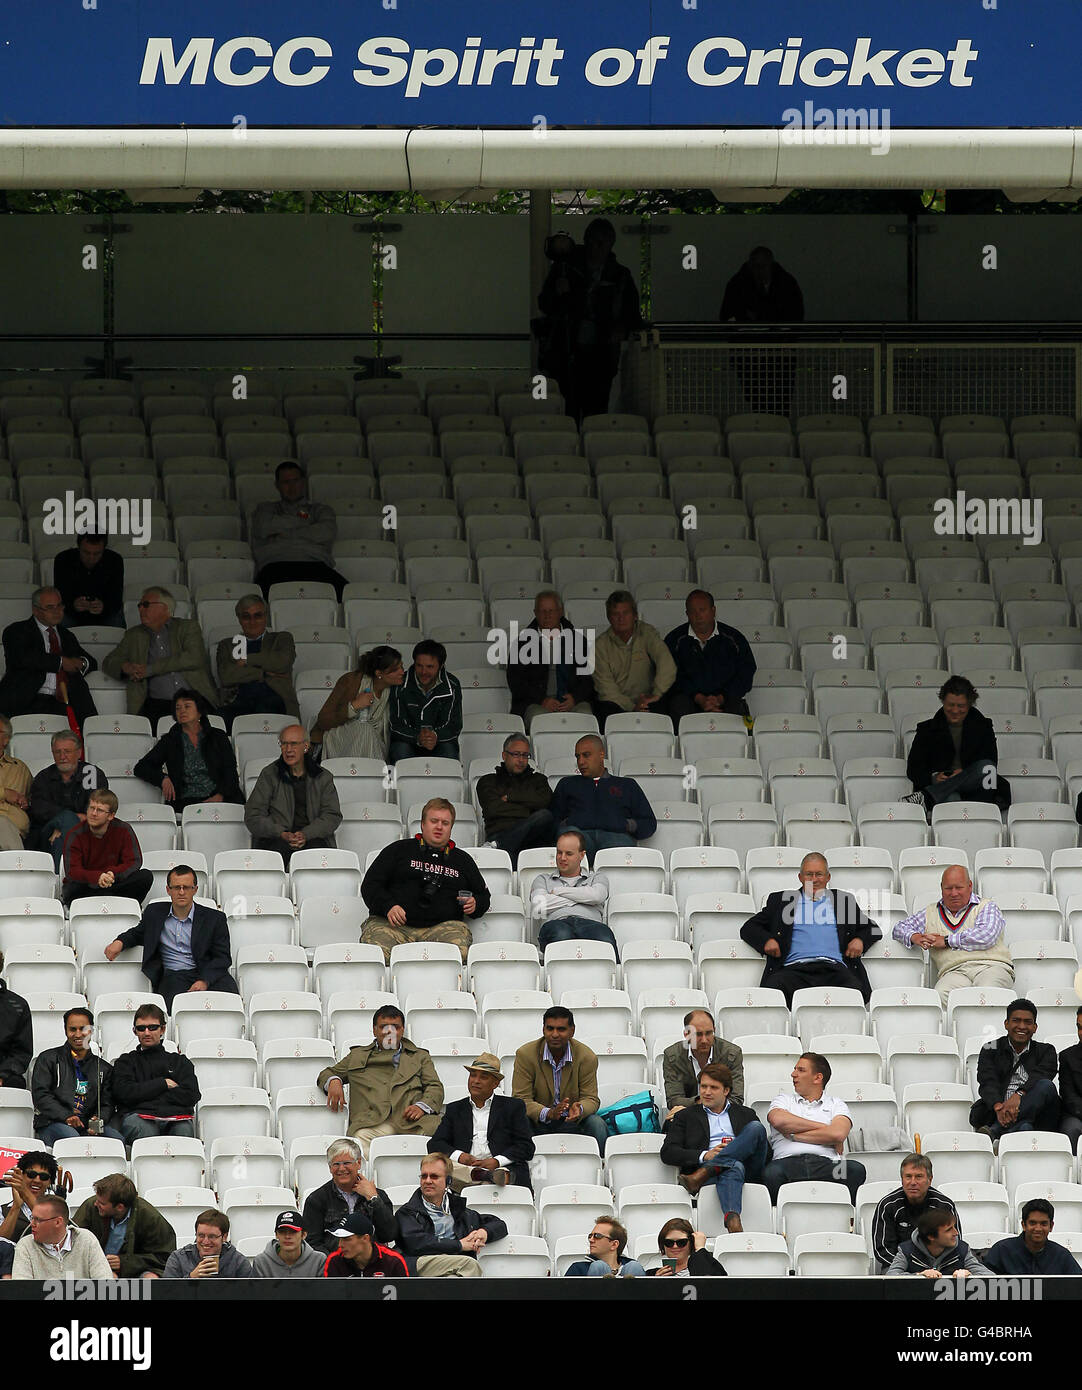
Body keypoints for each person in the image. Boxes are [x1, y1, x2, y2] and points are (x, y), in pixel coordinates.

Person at [536, 218, 642, 424]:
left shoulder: (620, 276)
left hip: (601, 355)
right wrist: (559, 293)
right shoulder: (565, 269)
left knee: (596, 411)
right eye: (593, 242)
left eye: (602, 243)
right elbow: (545, 304)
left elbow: (632, 316)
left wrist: (620, 329)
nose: (596, 247)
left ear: (610, 244)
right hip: (567, 352)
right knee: (567, 410)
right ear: (586, 241)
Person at [739, 851, 880, 1006]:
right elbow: (749, 928)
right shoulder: (781, 901)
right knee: (773, 991)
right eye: (809, 874)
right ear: (800, 877)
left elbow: (872, 928)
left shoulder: (843, 901)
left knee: (854, 990)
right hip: (793, 970)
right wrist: (766, 940)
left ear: (828, 877)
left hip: (835, 969)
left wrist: (860, 940)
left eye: (819, 874)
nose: (814, 880)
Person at [360, 798, 490, 964]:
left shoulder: (463, 860)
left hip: (442, 929)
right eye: (434, 821)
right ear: (422, 824)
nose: (439, 827)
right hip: (392, 926)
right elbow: (370, 886)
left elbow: (484, 896)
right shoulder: (398, 850)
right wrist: (388, 906)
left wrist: (476, 903)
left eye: (445, 823)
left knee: (457, 953)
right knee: (375, 953)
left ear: (451, 827)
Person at [103, 863, 240, 1010]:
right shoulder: (154, 913)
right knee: (172, 1010)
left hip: (208, 974)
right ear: (168, 890)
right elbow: (137, 933)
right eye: (176, 887)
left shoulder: (214, 918)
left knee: (229, 1002)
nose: (181, 892)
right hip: (174, 977)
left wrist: (204, 981)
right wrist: (120, 942)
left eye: (186, 887)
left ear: (195, 890)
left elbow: (223, 957)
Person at [319, 1005, 443, 1160]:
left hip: (413, 1121)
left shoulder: (419, 1056)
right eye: (384, 1027)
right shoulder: (357, 1056)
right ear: (374, 1029)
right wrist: (334, 1081)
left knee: (442, 1135)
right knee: (359, 1138)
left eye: (395, 1027)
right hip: (374, 1122)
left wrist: (422, 1106)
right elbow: (328, 1073)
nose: (389, 1032)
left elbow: (435, 1086)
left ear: (402, 1030)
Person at [661, 1062, 767, 1233]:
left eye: (713, 1087)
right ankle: (732, 1219)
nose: (706, 1092)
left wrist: (737, 1148)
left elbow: (763, 1150)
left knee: (756, 1128)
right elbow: (668, 1153)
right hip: (717, 1170)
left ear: (726, 1091)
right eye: (703, 1086)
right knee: (734, 1165)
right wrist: (705, 1156)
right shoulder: (685, 1116)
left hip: (747, 1170)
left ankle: (704, 1173)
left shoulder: (746, 1114)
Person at [892, 864, 1014, 1003]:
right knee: (940, 994)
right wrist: (915, 936)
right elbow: (899, 928)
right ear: (941, 888)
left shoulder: (986, 906)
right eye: (948, 888)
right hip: (954, 971)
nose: (954, 893)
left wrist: (946, 941)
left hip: (991, 966)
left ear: (970, 886)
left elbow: (986, 936)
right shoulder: (930, 912)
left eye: (959, 887)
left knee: (986, 991)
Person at [103, 586, 218, 724]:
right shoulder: (133, 635)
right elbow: (109, 662)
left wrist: (150, 669)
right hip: (157, 705)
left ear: (165, 608)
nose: (140, 609)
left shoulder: (187, 627)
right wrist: (125, 667)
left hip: (195, 700)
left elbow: (194, 658)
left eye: (145, 605)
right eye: (139, 606)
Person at [761, 1052, 866, 1204]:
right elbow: (778, 1120)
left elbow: (837, 1134)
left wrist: (793, 1135)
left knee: (855, 1169)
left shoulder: (836, 1104)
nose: (793, 1074)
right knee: (771, 1173)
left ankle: (846, 1221)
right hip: (787, 1163)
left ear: (817, 1078)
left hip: (828, 1164)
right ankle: (779, 1221)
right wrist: (825, 1129)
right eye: (794, 1069)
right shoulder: (783, 1099)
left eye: (801, 1070)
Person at [904, 675, 1010, 819]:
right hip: (944, 789)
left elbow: (991, 764)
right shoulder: (927, 729)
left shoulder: (983, 727)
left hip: (978, 787)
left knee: (987, 767)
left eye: (960, 706)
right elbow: (914, 768)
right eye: (950, 705)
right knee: (951, 798)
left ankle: (927, 797)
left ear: (970, 704)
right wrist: (933, 778)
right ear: (943, 702)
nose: (955, 710)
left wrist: (963, 773)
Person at [428, 1051, 535, 1191]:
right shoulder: (455, 1108)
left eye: (483, 1077)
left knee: (499, 1177)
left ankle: (486, 1176)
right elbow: (435, 1144)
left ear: (495, 1083)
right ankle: (484, 1176)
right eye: (473, 1075)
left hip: (500, 1168)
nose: (476, 1081)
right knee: (436, 1165)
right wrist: (460, 1156)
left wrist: (497, 1161)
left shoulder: (513, 1107)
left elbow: (526, 1147)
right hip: (464, 1168)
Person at [512, 1006, 609, 1155]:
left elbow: (591, 1098)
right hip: (538, 1120)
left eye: (561, 1029)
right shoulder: (525, 1055)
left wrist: (579, 1108)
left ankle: (600, 1167)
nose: (555, 1034)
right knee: (519, 1121)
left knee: (597, 1124)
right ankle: (525, 1169)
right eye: (550, 1028)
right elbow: (520, 1099)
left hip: (572, 1121)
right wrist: (548, 1113)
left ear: (572, 1031)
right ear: (543, 1030)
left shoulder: (587, 1057)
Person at [0, 587, 97, 730]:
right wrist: (62, 662)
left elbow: (91, 662)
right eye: (50, 607)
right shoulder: (17, 631)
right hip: (27, 699)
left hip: (64, 701)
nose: (57, 611)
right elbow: (25, 658)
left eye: (59, 606)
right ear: (35, 610)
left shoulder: (66, 635)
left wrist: (81, 663)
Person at [244, 722, 342, 864]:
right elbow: (253, 815)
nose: (288, 749)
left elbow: (332, 815)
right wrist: (281, 833)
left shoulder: (323, 777)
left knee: (318, 857)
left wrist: (305, 834)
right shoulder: (269, 774)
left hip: (312, 838)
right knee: (273, 857)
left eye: (294, 744)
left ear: (306, 746)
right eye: (284, 744)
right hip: (276, 838)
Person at [133, 688, 244, 812]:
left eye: (187, 706)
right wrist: (162, 778)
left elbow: (230, 771)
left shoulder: (218, 736)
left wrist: (220, 796)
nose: (182, 711)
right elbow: (141, 767)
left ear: (199, 711)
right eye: (178, 708)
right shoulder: (170, 740)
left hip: (222, 798)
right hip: (186, 803)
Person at [548, 734, 657, 860]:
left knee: (620, 847)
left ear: (601, 755)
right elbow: (552, 821)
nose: (581, 761)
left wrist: (625, 824)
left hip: (615, 838)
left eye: (586, 755)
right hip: (580, 839)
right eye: (578, 756)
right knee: (570, 837)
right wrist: (568, 823)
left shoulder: (627, 785)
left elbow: (649, 823)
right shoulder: (567, 784)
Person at [250, 460, 347, 600]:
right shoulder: (265, 509)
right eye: (285, 482)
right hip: (275, 565)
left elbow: (326, 531)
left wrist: (283, 533)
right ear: (277, 485)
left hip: (314, 564)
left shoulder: (320, 510)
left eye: (295, 481)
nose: (291, 487)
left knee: (351, 596)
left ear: (303, 482)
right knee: (255, 605)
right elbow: (263, 528)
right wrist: (306, 524)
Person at [396, 1152, 505, 1275]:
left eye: (434, 1176)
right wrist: (459, 1245)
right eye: (423, 1176)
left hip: (453, 1266)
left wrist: (483, 1233)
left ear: (448, 1181)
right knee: (469, 1265)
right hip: (420, 1264)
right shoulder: (407, 1212)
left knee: (455, 1278)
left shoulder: (460, 1212)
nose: (427, 1181)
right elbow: (416, 1243)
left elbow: (499, 1224)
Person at [970, 998, 1059, 1144]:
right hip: (998, 1111)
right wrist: (999, 1107)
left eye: (1027, 1022)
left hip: (1038, 1114)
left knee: (1046, 1085)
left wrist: (1018, 1095)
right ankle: (1007, 1131)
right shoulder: (990, 1048)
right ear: (1006, 1024)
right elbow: (987, 1081)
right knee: (1025, 1127)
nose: (1022, 1026)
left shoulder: (1046, 1050)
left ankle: (995, 1131)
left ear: (1035, 1027)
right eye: (1016, 1020)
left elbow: (1042, 1075)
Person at [663, 589, 756, 727]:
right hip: (688, 701)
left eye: (702, 610)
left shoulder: (734, 639)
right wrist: (698, 698)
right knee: (678, 705)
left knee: (737, 710)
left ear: (713, 611)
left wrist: (720, 698)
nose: (698, 616)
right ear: (687, 614)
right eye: (692, 611)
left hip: (725, 701)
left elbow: (746, 673)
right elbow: (668, 676)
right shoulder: (674, 640)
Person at [31, 1006, 123, 1144]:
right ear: (65, 1031)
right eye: (73, 1029)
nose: (78, 1034)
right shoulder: (48, 1059)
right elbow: (41, 1096)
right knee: (73, 1139)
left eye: (83, 1029)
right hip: (53, 1122)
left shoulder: (103, 1068)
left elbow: (107, 1103)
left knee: (117, 1141)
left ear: (91, 1031)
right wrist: (66, 1116)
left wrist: (97, 1119)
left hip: (88, 1124)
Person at [110, 1003, 201, 1143]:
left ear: (162, 1029)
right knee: (146, 1129)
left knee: (183, 1129)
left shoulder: (179, 1062)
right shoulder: (125, 1062)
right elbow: (123, 1094)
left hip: (174, 1118)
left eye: (152, 1027)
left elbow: (192, 1095)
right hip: (138, 1118)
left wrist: (143, 1094)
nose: (147, 1032)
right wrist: (163, 1084)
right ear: (135, 1031)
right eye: (141, 1028)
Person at [506, 590, 595, 729]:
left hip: (572, 702)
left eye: (551, 611)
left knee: (585, 716)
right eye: (542, 611)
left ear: (560, 612)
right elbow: (516, 682)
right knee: (539, 720)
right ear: (535, 612)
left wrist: (574, 698)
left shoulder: (579, 641)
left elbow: (588, 679)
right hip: (536, 704)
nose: (547, 615)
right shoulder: (522, 643)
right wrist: (542, 700)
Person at [591, 590, 676, 730]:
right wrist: (633, 707)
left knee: (665, 706)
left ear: (635, 615)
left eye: (625, 613)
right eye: (615, 614)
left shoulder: (647, 633)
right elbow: (606, 689)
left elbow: (667, 664)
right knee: (606, 710)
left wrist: (656, 693)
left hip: (647, 698)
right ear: (608, 617)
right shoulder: (599, 646)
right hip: (615, 703)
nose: (621, 618)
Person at [215, 593, 300, 731]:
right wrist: (263, 673)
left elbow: (282, 662)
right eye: (246, 616)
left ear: (266, 617)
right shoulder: (227, 645)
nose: (252, 621)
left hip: (276, 698)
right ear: (239, 619)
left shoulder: (281, 638)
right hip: (238, 700)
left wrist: (247, 660)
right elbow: (227, 676)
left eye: (258, 615)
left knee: (264, 709)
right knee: (219, 719)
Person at [59, 788, 154, 907]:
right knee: (73, 886)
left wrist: (113, 874)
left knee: (145, 876)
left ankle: (108, 898)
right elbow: (72, 871)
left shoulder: (123, 830)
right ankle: (113, 900)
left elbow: (134, 861)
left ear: (111, 815)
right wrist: (97, 877)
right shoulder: (75, 834)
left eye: (99, 810)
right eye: (91, 808)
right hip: (87, 886)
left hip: (114, 882)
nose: (93, 813)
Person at [28, 730, 109, 868]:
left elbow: (101, 806)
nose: (62, 756)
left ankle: (61, 880)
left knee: (60, 840)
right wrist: (68, 819)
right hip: (48, 832)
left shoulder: (92, 774)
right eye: (58, 752)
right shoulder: (44, 777)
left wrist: (65, 827)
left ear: (78, 753)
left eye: (67, 751)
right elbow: (38, 810)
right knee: (67, 818)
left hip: (86, 831)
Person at [310, 644, 404, 762]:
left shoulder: (397, 689)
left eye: (402, 667)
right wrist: (354, 706)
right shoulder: (351, 681)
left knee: (368, 732)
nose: (402, 672)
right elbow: (323, 720)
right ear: (379, 673)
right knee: (365, 729)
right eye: (395, 670)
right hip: (341, 738)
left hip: (375, 743)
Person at [530, 829, 616, 957]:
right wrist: (584, 897)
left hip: (591, 924)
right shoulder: (542, 879)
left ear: (582, 855)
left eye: (568, 854)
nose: (562, 858)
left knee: (605, 938)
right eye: (559, 852)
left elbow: (597, 896)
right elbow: (539, 906)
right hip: (556, 924)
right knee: (562, 934)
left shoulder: (597, 877)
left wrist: (558, 892)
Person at [301, 1138, 398, 1252]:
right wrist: (335, 1263)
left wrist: (373, 1199)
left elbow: (389, 1235)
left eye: (347, 1163)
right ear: (330, 1168)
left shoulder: (378, 1196)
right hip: (334, 1263)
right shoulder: (316, 1200)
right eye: (336, 1164)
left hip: (372, 1263)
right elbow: (313, 1243)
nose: (341, 1169)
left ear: (359, 1163)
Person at [72, 1174, 177, 1279]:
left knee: (151, 1279)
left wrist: (124, 1263)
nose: (96, 1204)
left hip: (137, 1271)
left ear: (119, 1207)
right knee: (108, 1279)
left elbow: (164, 1257)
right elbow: (73, 1240)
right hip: (94, 1268)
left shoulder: (151, 1218)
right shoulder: (90, 1207)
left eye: (102, 1203)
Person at [870, 1154, 960, 1272]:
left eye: (918, 1177)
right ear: (902, 1179)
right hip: (899, 1269)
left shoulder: (944, 1205)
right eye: (908, 1176)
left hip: (938, 1269)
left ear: (930, 1179)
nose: (913, 1182)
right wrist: (913, 1272)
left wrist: (933, 1269)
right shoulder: (888, 1205)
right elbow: (882, 1250)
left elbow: (954, 1244)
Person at [477, 734, 556, 863]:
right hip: (501, 832)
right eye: (516, 754)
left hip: (532, 839)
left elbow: (545, 803)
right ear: (504, 755)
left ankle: (498, 844)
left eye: (525, 755)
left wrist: (510, 797)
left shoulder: (539, 780)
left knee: (544, 815)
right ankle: (499, 844)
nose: (521, 759)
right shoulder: (488, 781)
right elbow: (492, 810)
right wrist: (530, 811)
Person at [387, 639, 463, 763]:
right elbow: (395, 724)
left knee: (449, 751)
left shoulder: (452, 684)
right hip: (408, 741)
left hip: (439, 741)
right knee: (400, 749)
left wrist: (434, 736)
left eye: (430, 667)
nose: (423, 672)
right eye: (419, 666)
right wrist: (417, 737)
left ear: (441, 665)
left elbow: (454, 725)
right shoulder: (399, 683)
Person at [662, 1008, 744, 1116]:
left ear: (714, 1030)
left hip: (723, 1115)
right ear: (686, 1034)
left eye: (709, 1033)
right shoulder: (673, 1056)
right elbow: (674, 1101)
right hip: (688, 1117)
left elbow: (736, 1099)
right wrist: (702, 1102)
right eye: (698, 1035)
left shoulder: (731, 1054)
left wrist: (702, 1102)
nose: (704, 1040)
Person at [10, 1196, 114, 1280]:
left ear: (58, 1222)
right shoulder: (25, 1245)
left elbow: (105, 1283)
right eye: (32, 1218)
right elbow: (22, 1290)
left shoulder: (86, 1239)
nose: (32, 1224)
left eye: (38, 1220)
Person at [984, 1199, 1081, 1276]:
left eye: (1043, 1224)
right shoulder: (1001, 1250)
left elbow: (1077, 1285)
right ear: (1023, 1225)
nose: (1038, 1229)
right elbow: (985, 1286)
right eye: (1033, 1223)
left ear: (1051, 1226)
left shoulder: (1061, 1255)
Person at [886, 1208, 992, 1278]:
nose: (956, 1233)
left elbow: (990, 1277)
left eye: (954, 1227)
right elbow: (891, 1276)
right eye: (948, 1230)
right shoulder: (906, 1250)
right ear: (931, 1236)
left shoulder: (962, 1249)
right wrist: (919, 1275)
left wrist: (969, 1276)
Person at [53, 532, 125, 629]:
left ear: (104, 549)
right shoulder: (63, 560)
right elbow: (59, 593)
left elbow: (116, 595)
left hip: (105, 613)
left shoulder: (115, 560)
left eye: (97, 553)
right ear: (78, 547)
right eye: (86, 553)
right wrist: (73, 604)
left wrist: (103, 606)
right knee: (59, 617)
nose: (91, 558)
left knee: (116, 619)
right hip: (71, 612)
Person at [720, 245, 804, 324]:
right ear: (750, 267)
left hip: (777, 338)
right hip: (748, 337)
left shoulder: (787, 284)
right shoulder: (737, 285)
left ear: (771, 266)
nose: (760, 271)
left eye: (763, 266)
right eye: (756, 266)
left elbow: (795, 314)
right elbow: (727, 315)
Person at [161, 1209, 254, 1279]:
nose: (205, 1241)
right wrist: (191, 1278)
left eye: (212, 1236)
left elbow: (249, 1294)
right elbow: (167, 1294)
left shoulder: (238, 1262)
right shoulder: (178, 1258)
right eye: (201, 1235)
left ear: (224, 1237)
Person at [321, 1210, 416, 1278]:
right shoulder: (334, 1261)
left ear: (365, 1238)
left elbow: (404, 1294)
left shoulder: (393, 1261)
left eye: (347, 1239)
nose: (340, 1245)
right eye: (340, 1239)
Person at [0, 1152, 64, 1245]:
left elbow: (58, 1235)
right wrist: (16, 1207)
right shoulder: (3, 1209)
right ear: (21, 1175)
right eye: (31, 1174)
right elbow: (1, 1244)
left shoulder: (58, 1206)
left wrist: (25, 1194)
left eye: (44, 1177)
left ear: (50, 1181)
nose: (37, 1180)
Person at [251, 1209, 326, 1279]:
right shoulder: (261, 1262)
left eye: (293, 1232)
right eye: (282, 1232)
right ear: (276, 1235)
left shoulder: (319, 1261)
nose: (287, 1236)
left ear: (303, 1235)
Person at [564, 1217, 645, 1277]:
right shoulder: (578, 1269)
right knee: (599, 1266)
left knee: (634, 1267)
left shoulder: (632, 1267)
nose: (591, 1240)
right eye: (590, 1236)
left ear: (614, 1244)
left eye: (597, 1236)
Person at [647, 1217, 726, 1277]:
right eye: (669, 1243)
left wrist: (700, 1249)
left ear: (691, 1243)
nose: (675, 1246)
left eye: (681, 1242)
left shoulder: (708, 1267)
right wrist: (655, 1283)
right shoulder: (652, 1274)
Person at [0, 949, 32, 1087]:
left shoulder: (18, 1006)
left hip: (4, 1077)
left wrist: (2, 1075)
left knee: (15, 1083)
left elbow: (22, 1052)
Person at [0, 716, 32, 851]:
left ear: (6, 739)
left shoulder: (20, 768)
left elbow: (34, 798)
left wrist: (26, 802)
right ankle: (20, 869)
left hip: (16, 830)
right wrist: (5, 793)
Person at [1058, 1005, 1082, 1153]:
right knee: (1072, 1130)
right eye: (1079, 1027)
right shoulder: (1067, 1057)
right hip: (1076, 1114)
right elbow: (1068, 1096)